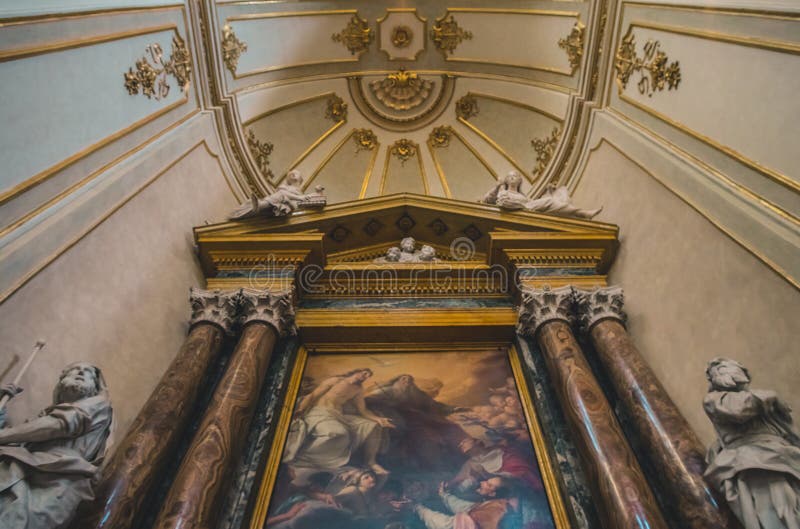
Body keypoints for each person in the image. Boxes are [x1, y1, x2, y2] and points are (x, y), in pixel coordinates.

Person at [0, 362, 112, 529]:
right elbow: (18, 441)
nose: (80, 371)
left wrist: (3, 435)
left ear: (95, 388)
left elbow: (60, 425)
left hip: (61, 478)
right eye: (74, 369)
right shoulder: (43, 416)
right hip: (20, 468)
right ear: (61, 381)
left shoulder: (99, 404)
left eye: (87, 372)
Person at [704, 358, 800, 529]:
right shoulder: (715, 399)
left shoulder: (759, 397)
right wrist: (770, 397)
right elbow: (739, 409)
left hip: (781, 455)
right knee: (777, 509)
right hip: (755, 461)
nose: (723, 372)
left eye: (727, 367)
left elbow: (787, 429)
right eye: (718, 371)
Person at [283, 368, 395, 481]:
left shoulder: (358, 389)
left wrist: (379, 419)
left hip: (338, 416)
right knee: (338, 433)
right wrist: (301, 409)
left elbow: (363, 410)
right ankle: (304, 458)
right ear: (357, 371)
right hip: (320, 412)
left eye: (368, 376)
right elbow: (312, 396)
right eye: (365, 373)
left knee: (372, 425)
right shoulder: (335, 381)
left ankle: (370, 462)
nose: (365, 377)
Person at [482, 171, 602, 220]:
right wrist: (497, 186)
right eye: (510, 176)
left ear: (520, 181)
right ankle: (582, 213)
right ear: (506, 181)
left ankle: (581, 213)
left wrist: (549, 192)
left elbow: (534, 203)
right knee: (549, 201)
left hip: (529, 208)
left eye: (516, 176)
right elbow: (487, 200)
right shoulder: (502, 192)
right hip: (525, 210)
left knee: (552, 199)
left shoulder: (523, 197)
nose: (513, 177)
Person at [410, 478, 519, 529]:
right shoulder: (494, 503)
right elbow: (463, 506)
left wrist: (418, 508)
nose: (482, 482)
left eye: (489, 485)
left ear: (492, 494)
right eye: (486, 481)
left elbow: (447, 525)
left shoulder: (497, 509)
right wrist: (443, 494)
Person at [228, 170, 326, 220]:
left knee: (281, 195)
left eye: (296, 173)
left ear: (299, 180)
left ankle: (260, 205)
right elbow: (282, 193)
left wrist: (318, 192)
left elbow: (314, 198)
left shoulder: (297, 191)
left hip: (290, 206)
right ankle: (255, 208)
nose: (292, 174)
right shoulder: (284, 187)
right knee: (279, 196)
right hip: (279, 203)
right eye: (292, 173)